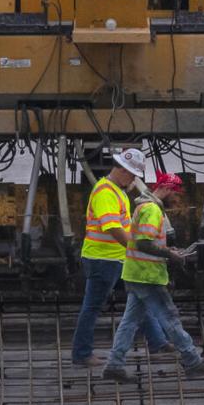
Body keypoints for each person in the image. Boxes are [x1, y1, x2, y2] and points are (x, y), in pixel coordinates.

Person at [103, 172, 204, 382]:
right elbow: (143, 243)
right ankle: (192, 361)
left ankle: (114, 365)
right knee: (169, 317)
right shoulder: (152, 209)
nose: (178, 199)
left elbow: (145, 241)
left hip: (136, 273)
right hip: (147, 275)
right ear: (166, 189)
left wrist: (168, 250)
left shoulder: (145, 206)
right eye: (176, 194)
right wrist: (170, 254)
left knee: (129, 322)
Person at [70, 147, 169, 367]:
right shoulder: (105, 192)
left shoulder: (116, 190)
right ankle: (81, 354)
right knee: (93, 307)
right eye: (133, 175)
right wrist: (138, 249)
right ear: (123, 170)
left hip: (116, 258)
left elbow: (123, 224)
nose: (133, 180)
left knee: (140, 298)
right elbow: (113, 228)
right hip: (103, 260)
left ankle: (158, 342)